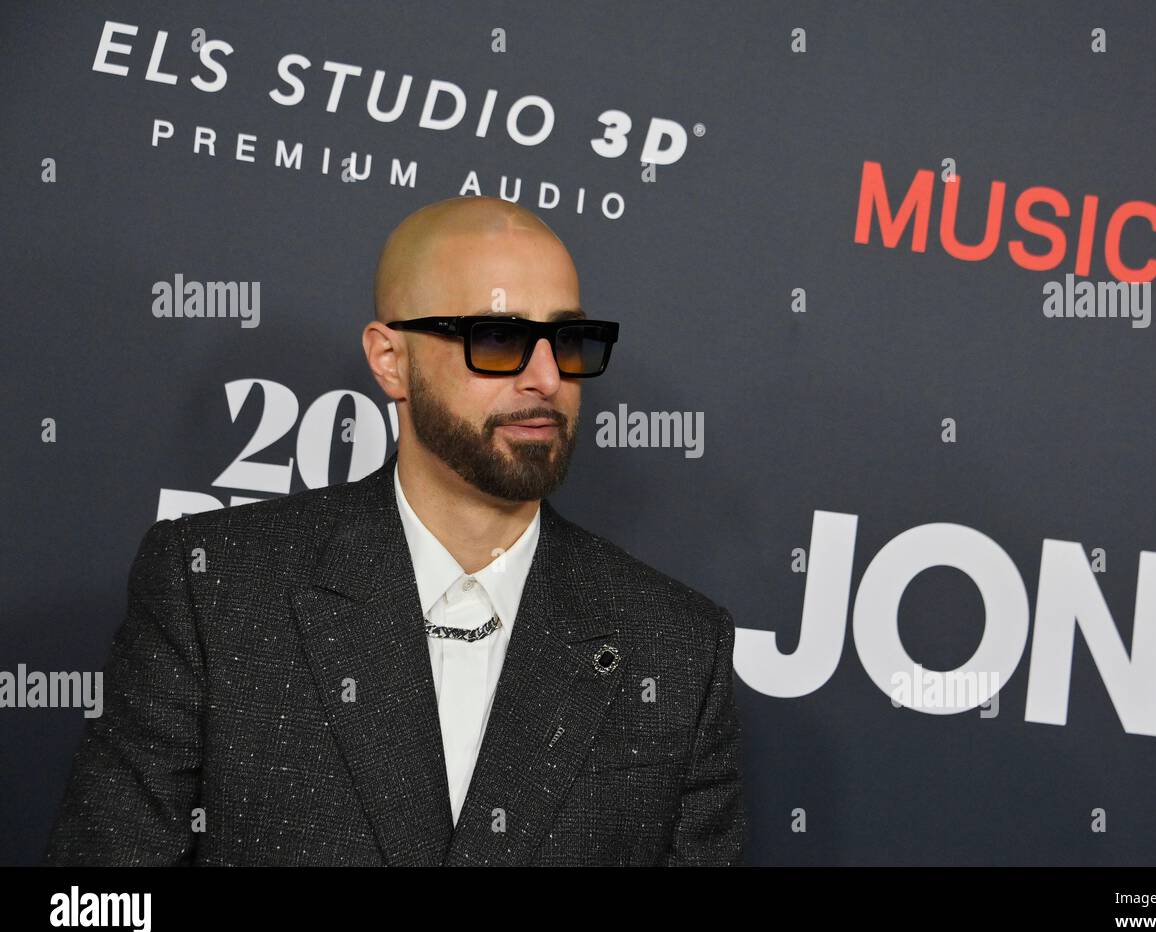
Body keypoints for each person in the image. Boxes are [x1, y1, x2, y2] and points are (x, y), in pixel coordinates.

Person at [44, 196, 746, 865]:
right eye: (496, 338)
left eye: (569, 339)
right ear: (390, 360)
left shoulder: (677, 647)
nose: (545, 376)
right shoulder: (214, 591)